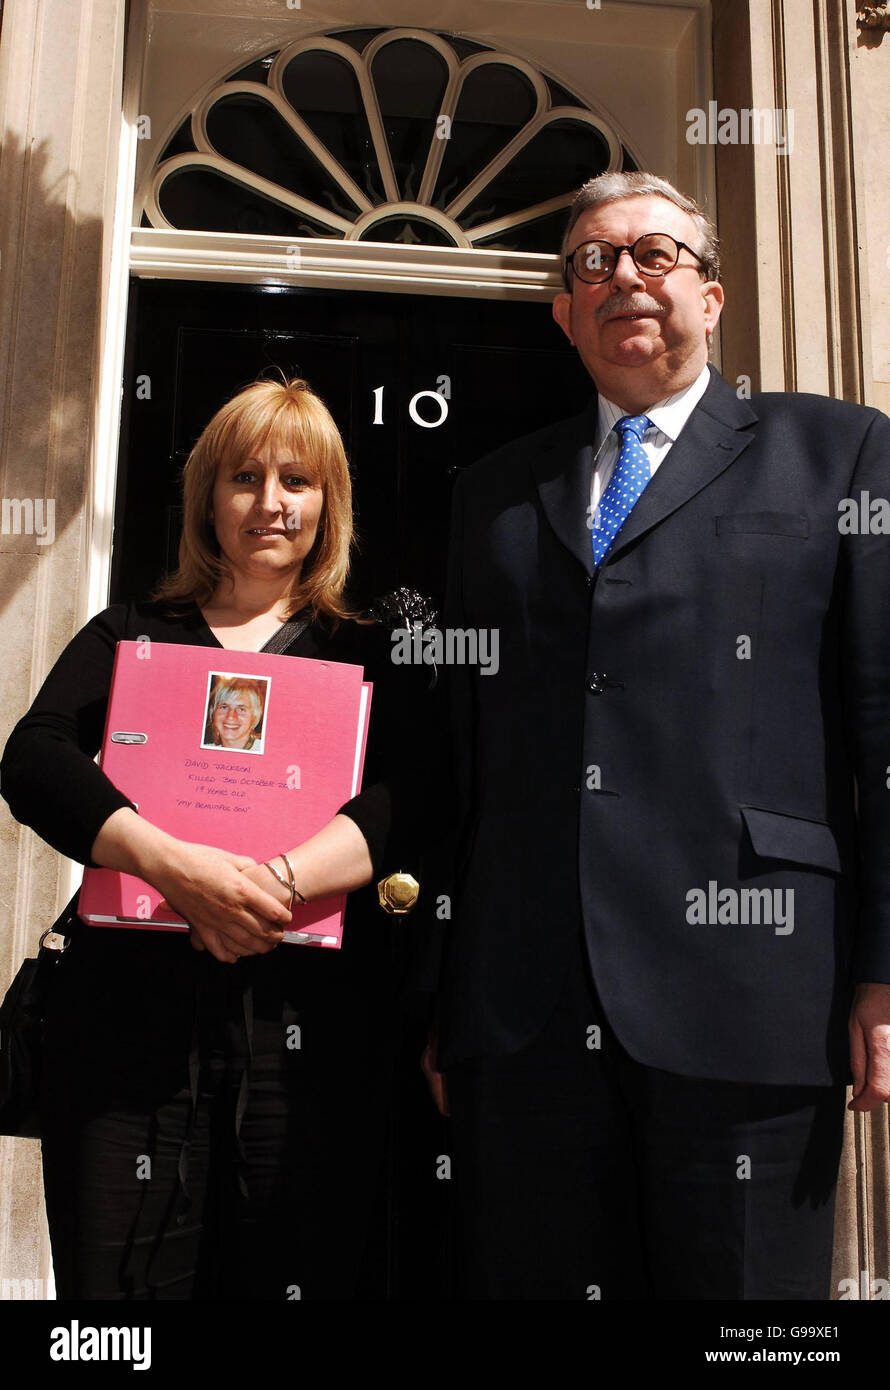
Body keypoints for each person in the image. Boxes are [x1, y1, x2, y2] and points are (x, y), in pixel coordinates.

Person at [423, 171, 890, 1300]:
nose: (623, 276)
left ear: (712, 296)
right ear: (560, 311)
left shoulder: (838, 454)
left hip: (751, 989)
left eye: (654, 255)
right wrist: (441, 989)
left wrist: (883, 968)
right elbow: (455, 759)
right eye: (591, 261)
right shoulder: (490, 491)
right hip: (526, 1009)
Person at [1, 375, 424, 1299]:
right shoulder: (133, 635)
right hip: (125, 1041)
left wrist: (267, 884)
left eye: (297, 481)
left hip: (310, 1042)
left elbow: (416, 798)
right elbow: (32, 760)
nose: (270, 503)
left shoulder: (370, 651)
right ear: (208, 499)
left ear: (330, 503)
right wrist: (178, 868)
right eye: (243, 478)